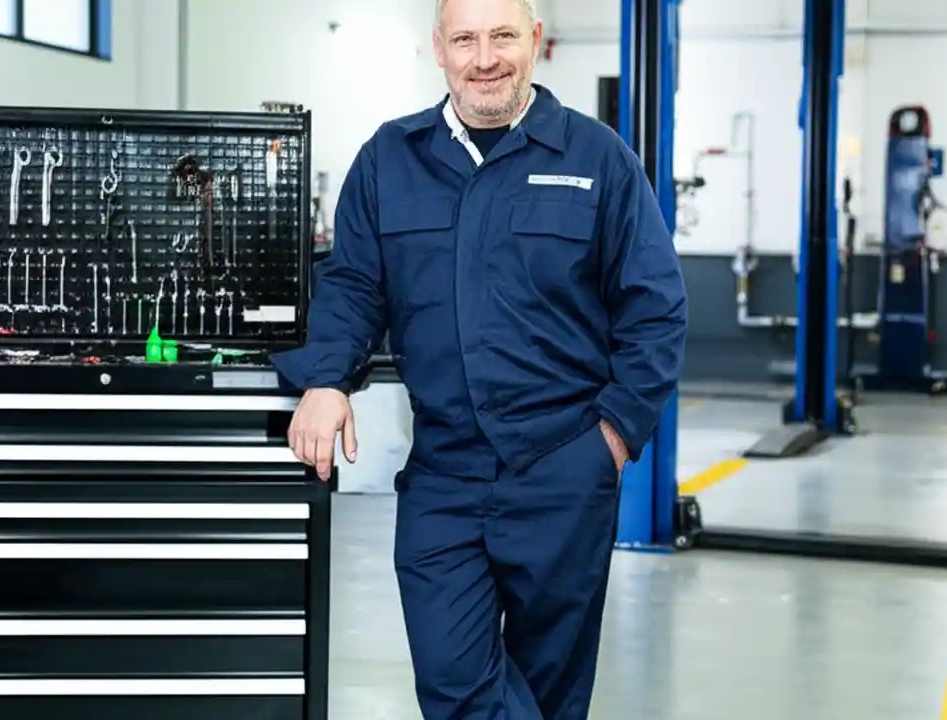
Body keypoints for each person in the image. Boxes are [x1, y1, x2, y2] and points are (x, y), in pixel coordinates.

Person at [270, 0, 687, 716]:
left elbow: (656, 310)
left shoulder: (598, 161)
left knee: (552, 689)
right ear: (439, 48)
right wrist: (326, 381)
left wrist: (612, 438)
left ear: (536, 41)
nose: (484, 58)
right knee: (454, 679)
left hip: (564, 468)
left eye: (502, 36)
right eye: (465, 39)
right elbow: (352, 287)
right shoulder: (390, 161)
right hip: (443, 474)